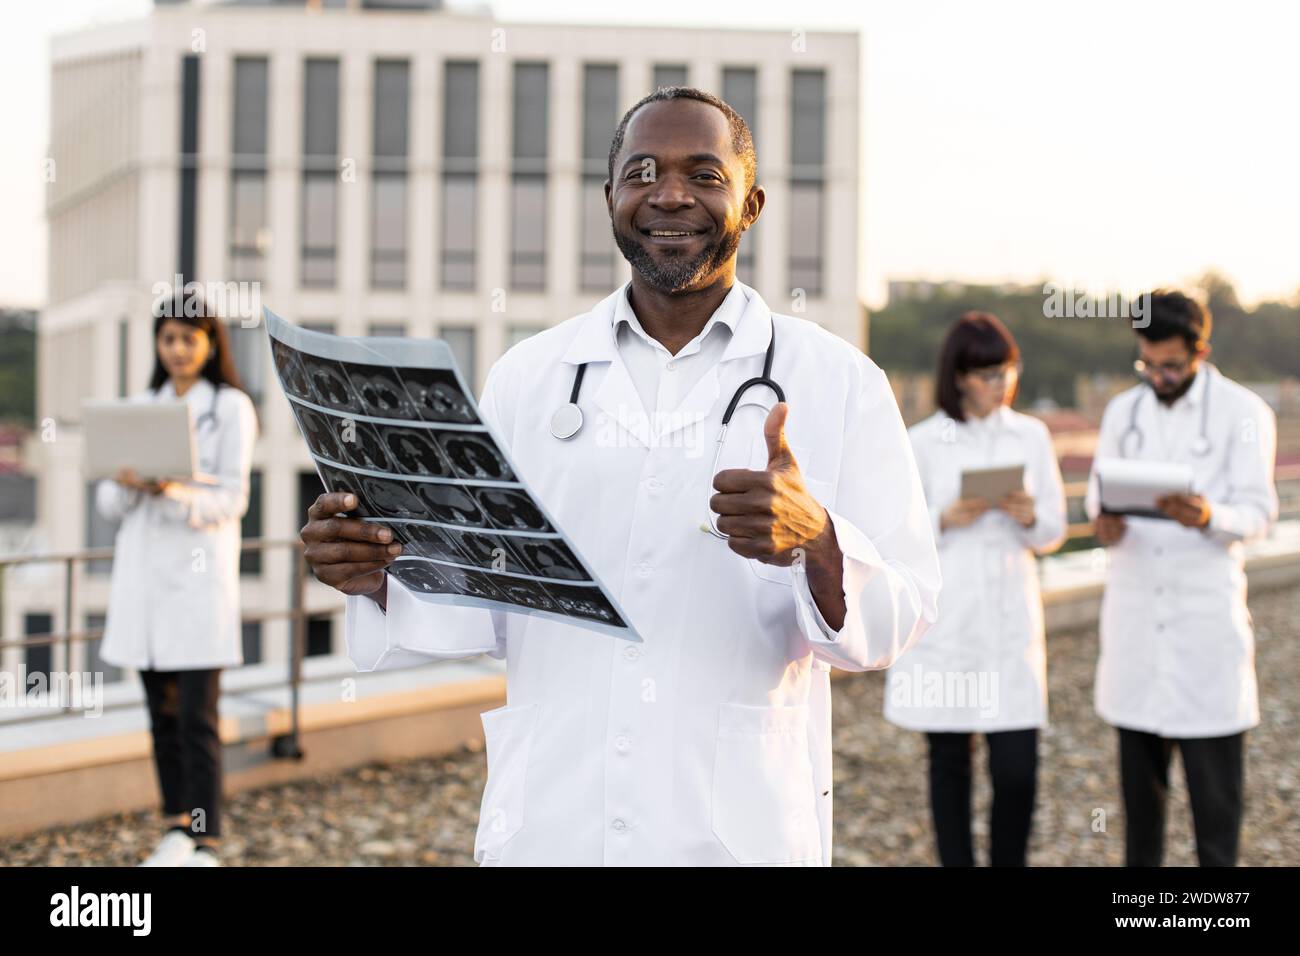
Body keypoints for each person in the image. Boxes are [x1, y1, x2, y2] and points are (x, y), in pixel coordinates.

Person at [300, 87, 942, 866]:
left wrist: (818, 541)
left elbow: (902, 613)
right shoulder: (529, 376)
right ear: (611, 199)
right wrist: (371, 573)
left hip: (735, 823)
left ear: (751, 203)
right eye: (642, 171)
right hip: (555, 817)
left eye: (704, 174)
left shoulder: (839, 381)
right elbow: (487, 603)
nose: (669, 193)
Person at [1086, 290, 1278, 866]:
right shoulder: (1124, 412)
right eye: (1148, 364)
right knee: (1140, 819)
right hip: (1136, 624)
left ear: (1201, 350)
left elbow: (1260, 512)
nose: (1159, 377)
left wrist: (1210, 516)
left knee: (1216, 814)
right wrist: (1106, 524)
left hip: (1204, 631)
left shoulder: (1245, 413)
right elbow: (1100, 498)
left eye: (1171, 365)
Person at [888, 313, 1067, 865]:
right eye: (988, 374)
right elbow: (893, 534)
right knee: (949, 763)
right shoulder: (920, 442)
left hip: (1009, 623)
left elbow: (1055, 531)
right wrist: (945, 517)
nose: (1000, 384)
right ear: (959, 376)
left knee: (1016, 770)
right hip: (948, 624)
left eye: (1007, 371)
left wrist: (1030, 515)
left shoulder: (1032, 436)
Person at [95, 292, 258, 867]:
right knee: (159, 716)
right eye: (168, 338)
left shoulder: (232, 407)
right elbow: (107, 501)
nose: (178, 349)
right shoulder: (141, 405)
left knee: (197, 718)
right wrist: (129, 483)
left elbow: (232, 500)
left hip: (196, 585)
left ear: (211, 342)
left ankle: (205, 838)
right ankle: (174, 829)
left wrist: (172, 491)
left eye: (189, 338)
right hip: (143, 585)